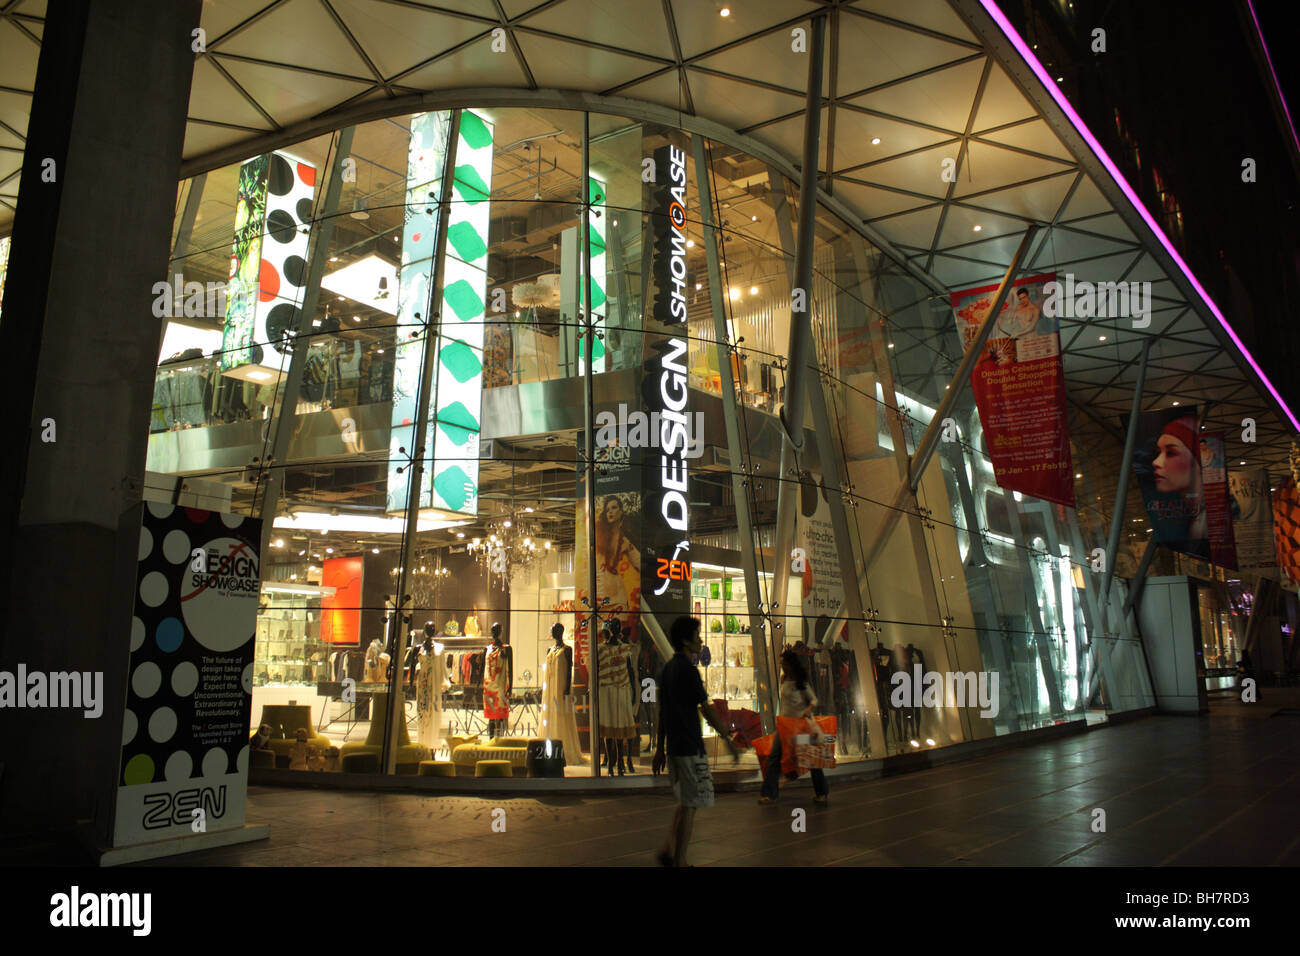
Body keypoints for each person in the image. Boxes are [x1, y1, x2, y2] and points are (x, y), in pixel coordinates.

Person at [652, 616, 740, 867]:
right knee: (691, 805)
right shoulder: (689, 671)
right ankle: (679, 860)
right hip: (690, 746)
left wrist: (660, 748)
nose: (700, 640)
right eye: (696, 636)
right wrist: (728, 740)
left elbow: (662, 712)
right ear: (685, 640)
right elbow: (707, 708)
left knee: (684, 802)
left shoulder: (668, 669)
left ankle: (668, 849)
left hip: (675, 748)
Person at [759, 648, 829, 805]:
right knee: (774, 757)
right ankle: (770, 793)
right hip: (785, 724)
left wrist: (806, 712)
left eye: (784, 663)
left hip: (799, 725)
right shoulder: (784, 679)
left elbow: (814, 700)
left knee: (809, 759)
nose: (782, 666)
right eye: (781, 663)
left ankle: (822, 792)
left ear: (791, 664)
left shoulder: (800, 682)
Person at [1152, 415, 1208, 550]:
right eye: (1158, 452)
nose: (1156, 462)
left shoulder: (1208, 524)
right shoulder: (1192, 522)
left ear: (1197, 462)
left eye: (1171, 453)